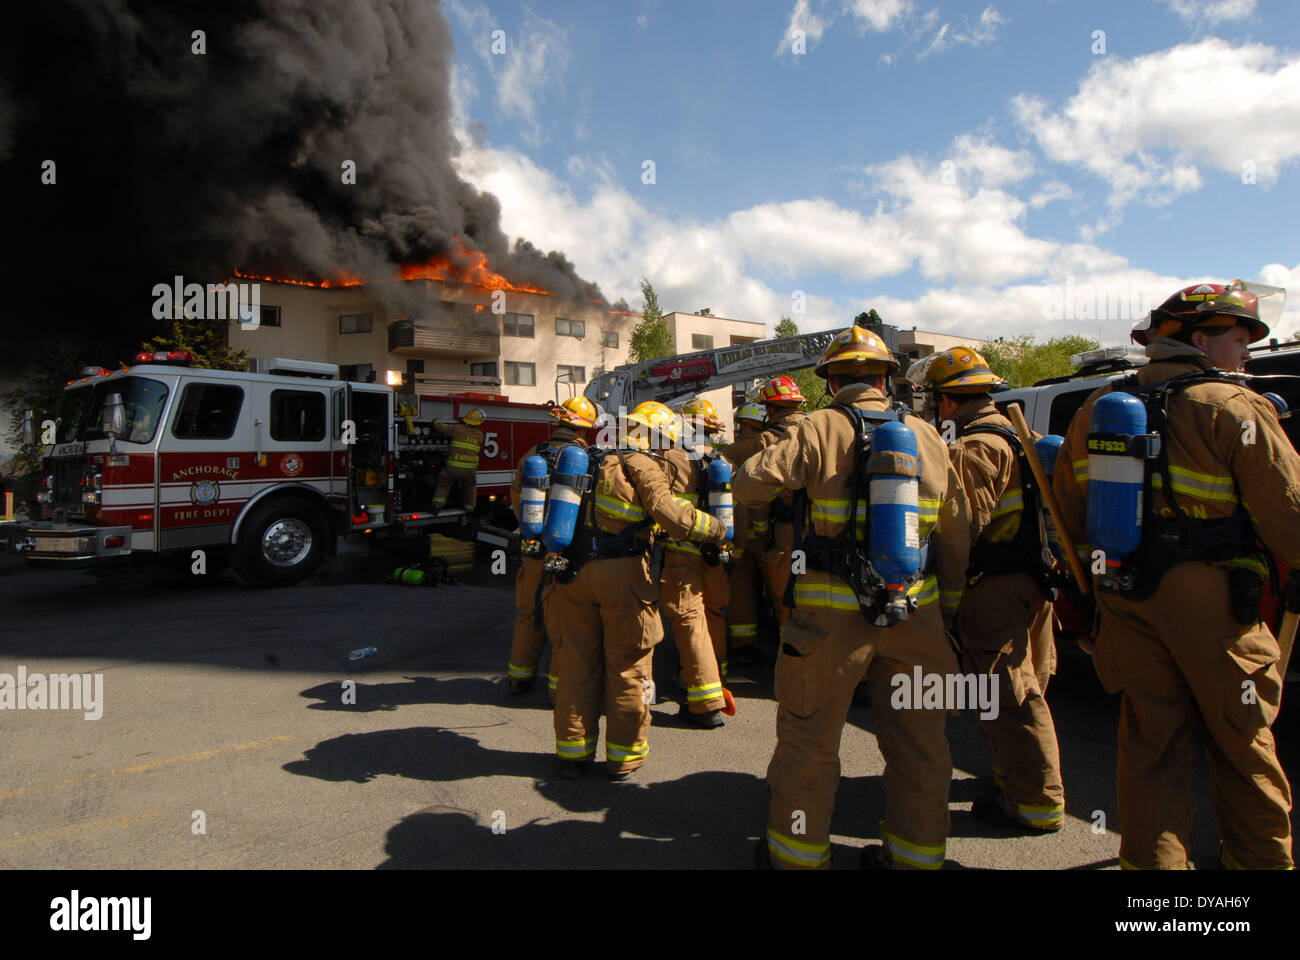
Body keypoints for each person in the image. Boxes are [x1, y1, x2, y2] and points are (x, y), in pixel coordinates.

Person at [1054, 280, 1300, 869]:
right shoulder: (1234, 407)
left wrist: (1091, 593)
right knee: (1243, 742)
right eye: (1238, 339)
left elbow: (1067, 508)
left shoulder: (1099, 408)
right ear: (1199, 340)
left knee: (1151, 746)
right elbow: (1289, 508)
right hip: (1213, 604)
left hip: (1127, 597)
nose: (1244, 353)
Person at [736, 326, 971, 869]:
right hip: (917, 612)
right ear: (887, 376)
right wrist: (950, 605)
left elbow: (749, 485)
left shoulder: (818, 426)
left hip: (829, 622)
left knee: (810, 739)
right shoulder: (928, 434)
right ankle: (916, 856)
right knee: (921, 743)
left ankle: (798, 856)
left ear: (833, 379)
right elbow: (956, 529)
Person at [547, 401, 729, 780]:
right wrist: (716, 530)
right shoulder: (641, 463)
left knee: (576, 664)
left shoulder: (591, 457)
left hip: (575, 573)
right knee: (630, 667)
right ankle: (623, 757)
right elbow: (668, 512)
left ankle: (573, 754)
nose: (666, 448)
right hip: (623, 576)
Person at [924, 346, 1064, 833]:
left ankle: (1035, 803)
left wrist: (949, 602)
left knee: (1007, 695)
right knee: (1029, 685)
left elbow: (960, 531)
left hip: (996, 588)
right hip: (1035, 581)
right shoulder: (1025, 436)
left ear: (945, 402)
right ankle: (1016, 781)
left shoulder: (976, 449)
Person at [506, 397, 598, 698]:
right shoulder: (587, 460)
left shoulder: (533, 455)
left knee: (528, 613)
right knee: (564, 619)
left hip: (533, 547)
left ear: (558, 423)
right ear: (584, 431)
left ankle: (519, 677)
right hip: (568, 551)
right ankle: (558, 688)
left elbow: (518, 500)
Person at [661, 397, 732, 728]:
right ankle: (717, 671)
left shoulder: (670, 460)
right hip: (715, 553)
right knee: (714, 614)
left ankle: (702, 698)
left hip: (681, 553)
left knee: (690, 622)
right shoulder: (721, 461)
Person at [754, 376, 808, 630]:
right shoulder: (818, 428)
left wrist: (762, 536)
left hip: (787, 536)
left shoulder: (766, 439)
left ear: (771, 409)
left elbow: (759, 496)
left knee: (788, 600)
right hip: (824, 532)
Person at [722, 402, 770, 666]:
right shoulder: (769, 445)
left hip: (738, 534)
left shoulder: (729, 451)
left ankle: (743, 645)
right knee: (780, 586)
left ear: (742, 424)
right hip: (767, 533)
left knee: (741, 589)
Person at [430, 408, 484, 514]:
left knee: (444, 484)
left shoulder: (458, 429)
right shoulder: (479, 435)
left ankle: (437, 505)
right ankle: (469, 509)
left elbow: (443, 429)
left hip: (453, 468)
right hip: (470, 469)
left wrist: (435, 421)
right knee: (469, 488)